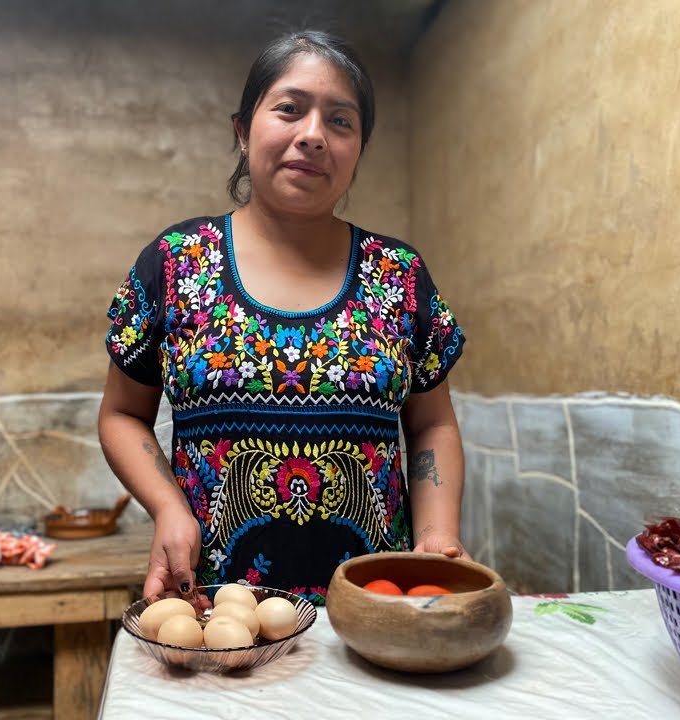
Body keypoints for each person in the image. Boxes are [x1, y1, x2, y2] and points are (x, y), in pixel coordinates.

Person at [98, 29, 469, 607]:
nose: (314, 136)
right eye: (290, 110)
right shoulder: (175, 263)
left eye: (341, 122)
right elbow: (122, 414)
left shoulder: (398, 274)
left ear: (359, 150)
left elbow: (432, 425)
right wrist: (169, 508)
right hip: (217, 613)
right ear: (244, 131)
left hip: (374, 608)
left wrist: (436, 537)